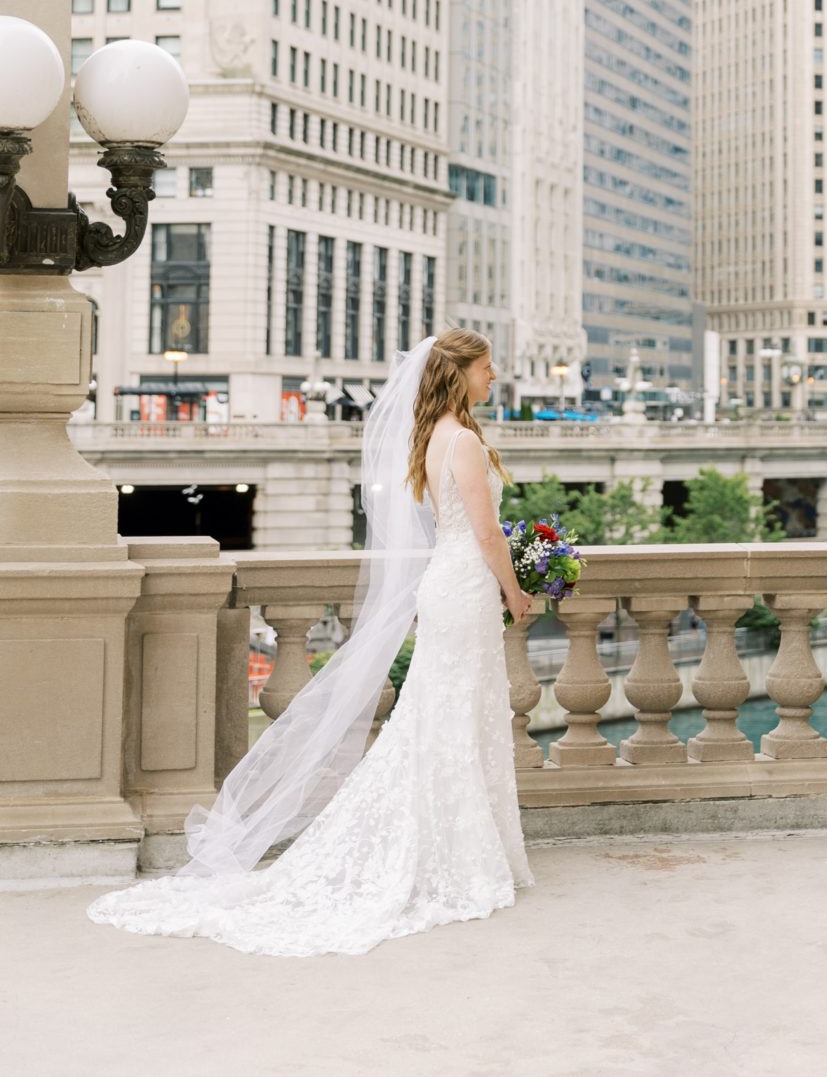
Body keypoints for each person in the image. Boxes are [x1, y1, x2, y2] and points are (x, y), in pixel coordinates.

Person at [87, 328, 536, 956]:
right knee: (453, 719)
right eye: (488, 368)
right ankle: (453, 855)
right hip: (465, 587)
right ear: (460, 373)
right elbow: (487, 534)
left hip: (447, 586)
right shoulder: (461, 440)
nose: (495, 378)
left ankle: (457, 845)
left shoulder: (431, 436)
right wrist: (516, 591)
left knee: (442, 718)